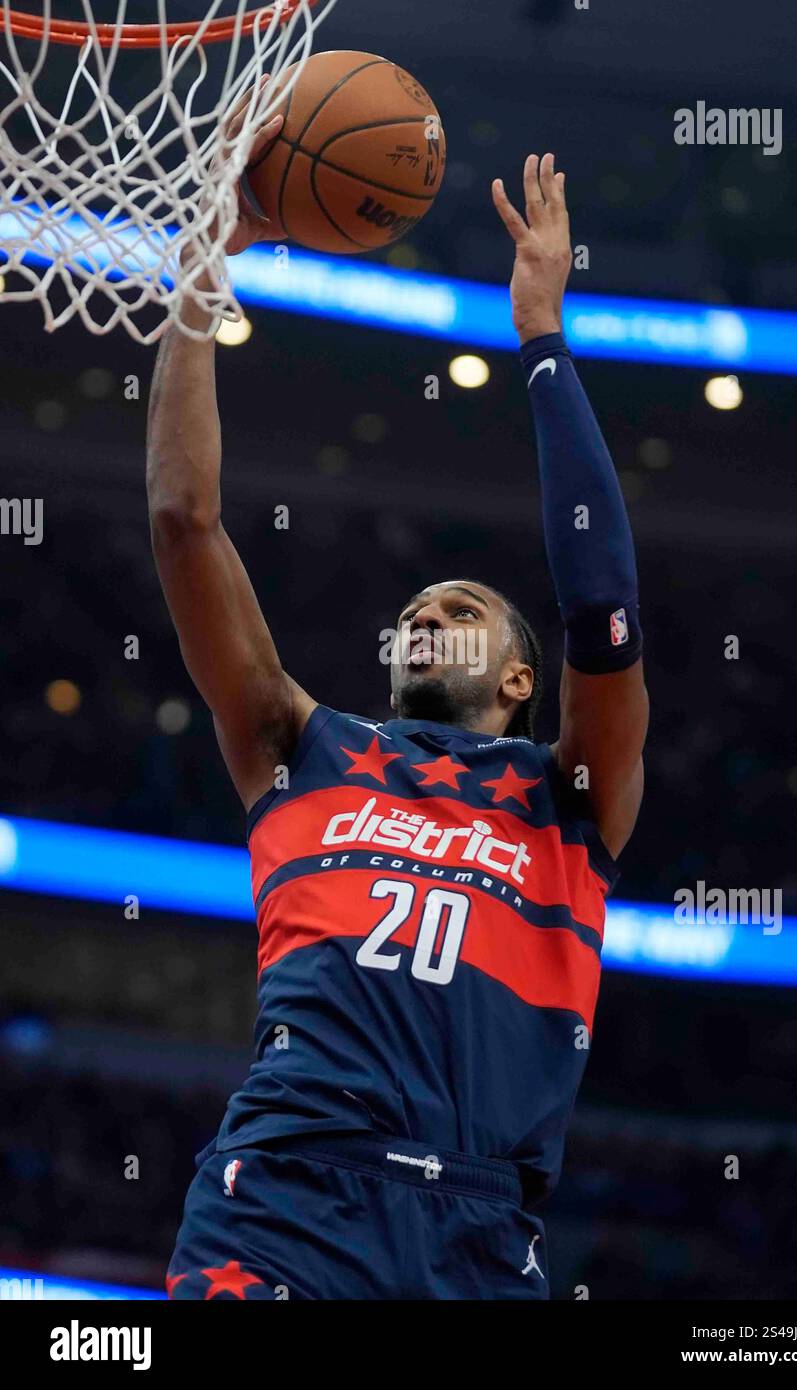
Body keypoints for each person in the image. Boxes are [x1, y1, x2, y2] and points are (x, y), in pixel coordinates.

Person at [148, 87, 648, 1299]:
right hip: (282, 1198)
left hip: (474, 1236)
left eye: (461, 611)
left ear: (520, 678)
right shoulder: (299, 743)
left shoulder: (567, 798)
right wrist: (204, 274)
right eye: (415, 609)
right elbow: (182, 517)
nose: (424, 615)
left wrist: (541, 345)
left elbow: (603, 603)